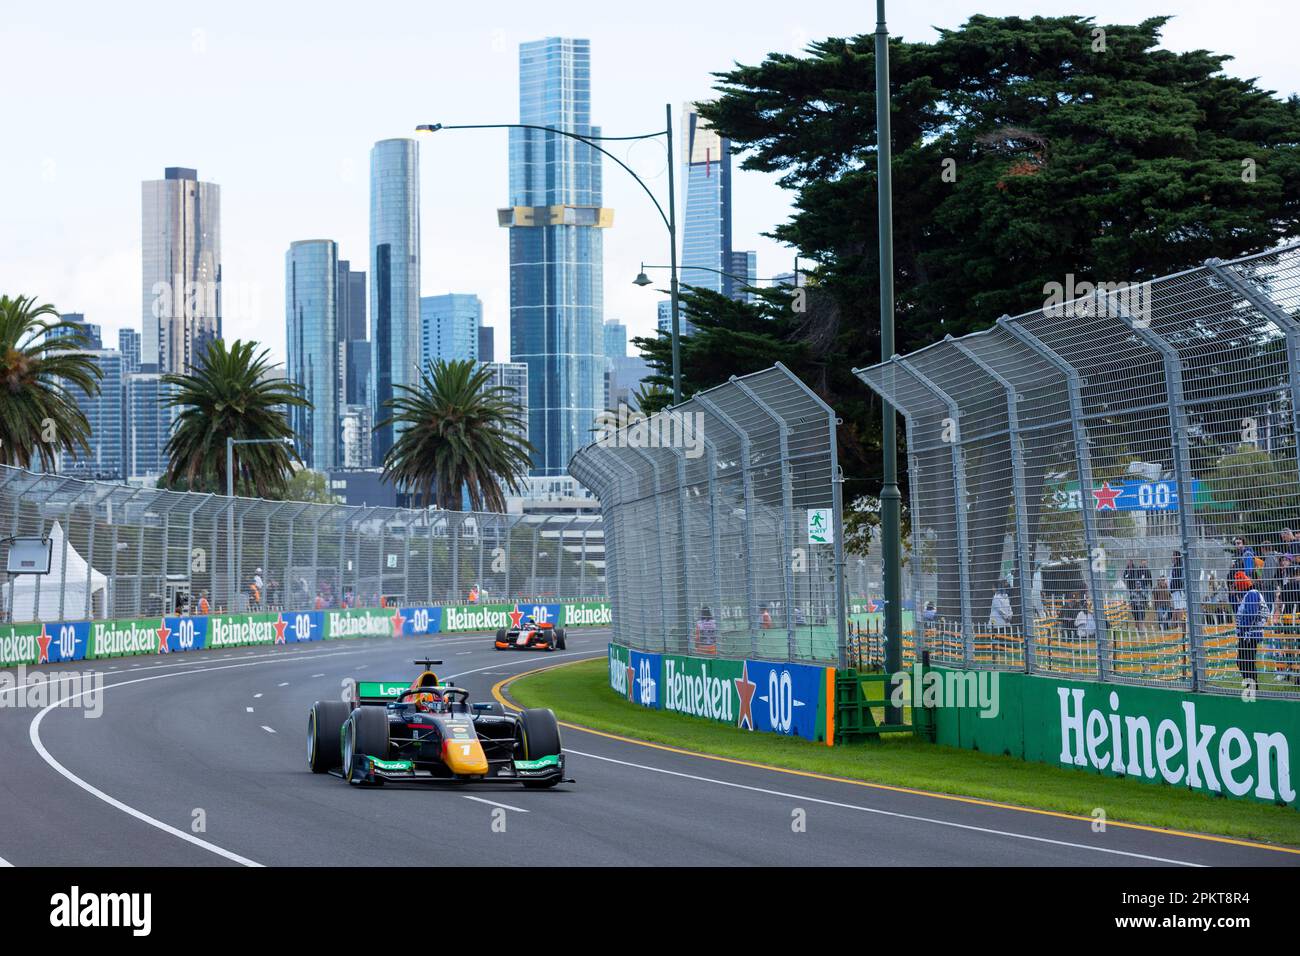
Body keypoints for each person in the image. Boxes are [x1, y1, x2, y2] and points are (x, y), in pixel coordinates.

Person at [1235, 570, 1269, 689]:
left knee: (1245, 662)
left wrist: (1244, 630)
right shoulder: (1251, 594)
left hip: (1249, 634)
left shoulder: (1252, 594)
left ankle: (1252, 687)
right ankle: (1252, 686)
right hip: (1249, 633)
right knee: (1246, 661)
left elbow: (1251, 613)